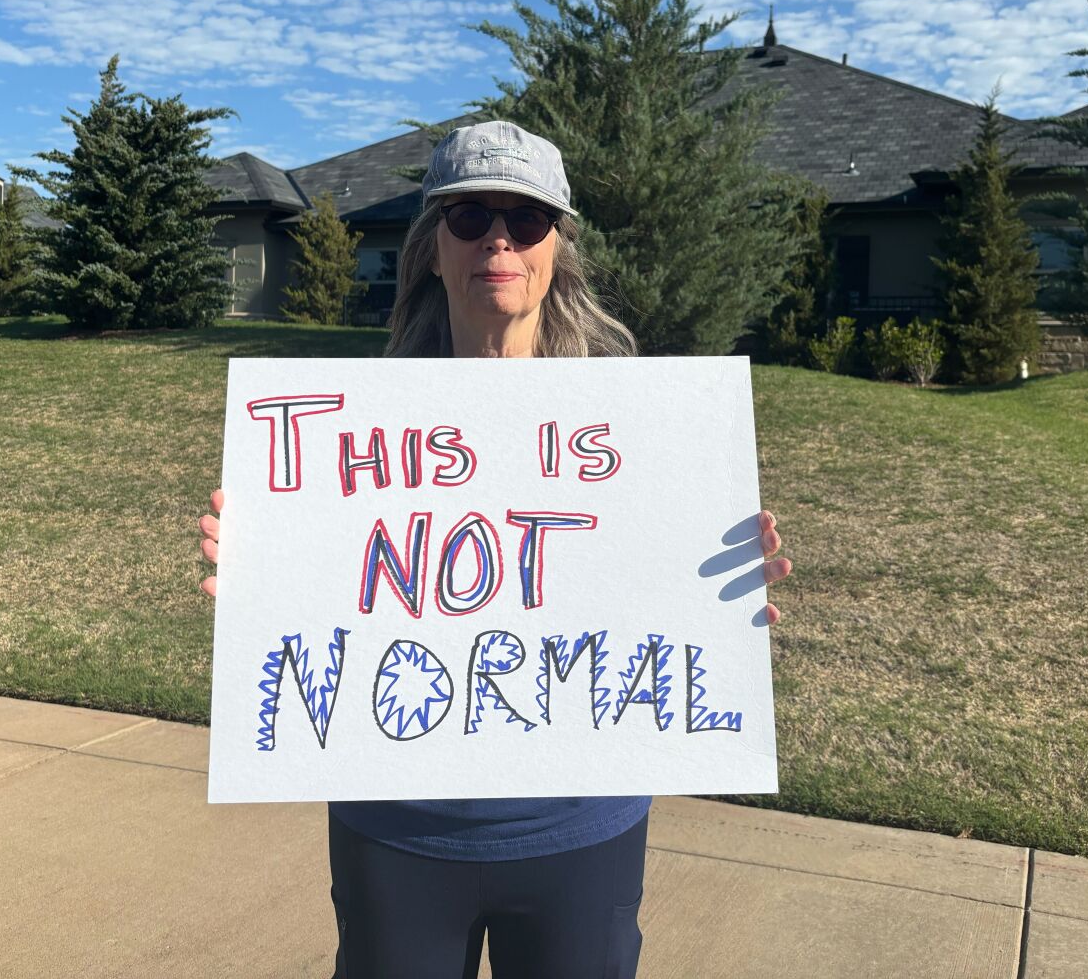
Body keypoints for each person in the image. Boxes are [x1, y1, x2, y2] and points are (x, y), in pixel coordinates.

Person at [197, 120, 794, 978]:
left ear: (557, 247)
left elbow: (662, 594)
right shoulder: (350, 433)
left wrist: (729, 582)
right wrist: (257, 568)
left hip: (581, 828)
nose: (499, 239)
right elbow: (322, 585)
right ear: (433, 248)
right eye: (470, 217)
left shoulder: (639, 428)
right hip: (396, 825)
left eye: (527, 218)